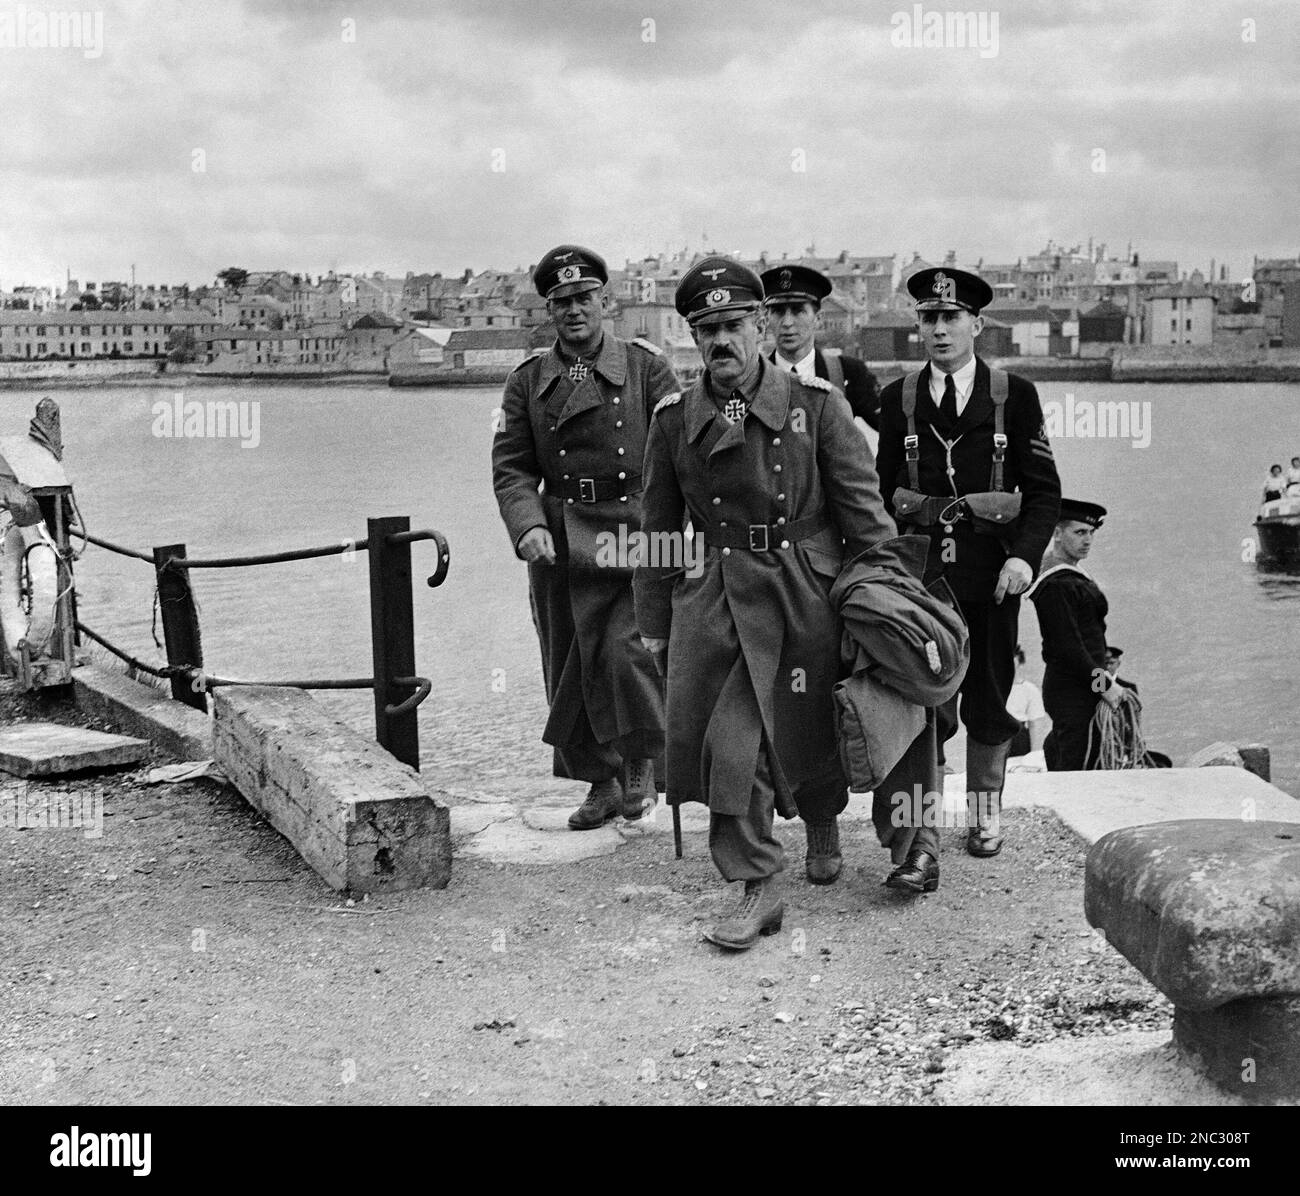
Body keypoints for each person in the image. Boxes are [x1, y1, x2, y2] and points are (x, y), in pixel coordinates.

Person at [635, 256, 895, 949]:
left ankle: (821, 819)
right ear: (692, 336)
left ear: (758, 327)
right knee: (731, 741)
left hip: (805, 586)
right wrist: (656, 626)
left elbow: (867, 520)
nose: (720, 342)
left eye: (732, 325)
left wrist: (881, 605)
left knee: (808, 727)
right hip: (718, 595)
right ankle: (756, 885)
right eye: (705, 329)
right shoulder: (671, 421)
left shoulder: (818, 407)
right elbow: (658, 531)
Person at [874, 266, 1061, 867]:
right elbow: (878, 494)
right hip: (923, 584)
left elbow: (1043, 495)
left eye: (951, 318)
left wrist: (1024, 559)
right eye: (929, 318)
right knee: (922, 700)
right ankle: (921, 827)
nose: (939, 329)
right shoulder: (896, 399)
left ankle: (984, 816)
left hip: (992, 581)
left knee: (988, 697)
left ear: (977, 325)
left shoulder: (1015, 397)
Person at [492, 245, 679, 830]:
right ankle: (598, 783)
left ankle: (643, 761)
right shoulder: (527, 383)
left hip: (637, 533)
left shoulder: (647, 368)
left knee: (631, 651)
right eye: (561, 302)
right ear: (549, 310)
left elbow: (681, 450)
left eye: (584, 298)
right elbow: (512, 467)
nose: (574, 311)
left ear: (607, 301)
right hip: (563, 538)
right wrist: (527, 527)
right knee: (570, 665)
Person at [1025, 499, 1118, 771]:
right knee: (1077, 770)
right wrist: (1104, 684)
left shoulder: (1073, 575)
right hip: (1071, 689)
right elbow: (1067, 647)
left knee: (1087, 760)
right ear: (1056, 533)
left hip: (1083, 684)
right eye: (1079, 533)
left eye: (1091, 533)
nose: (1088, 540)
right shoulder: (1055, 584)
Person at [759, 264, 880, 450]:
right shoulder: (755, 378)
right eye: (778, 312)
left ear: (818, 318)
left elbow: (893, 429)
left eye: (798, 311)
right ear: (767, 319)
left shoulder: (847, 373)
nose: (787, 323)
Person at [1006, 646, 1047, 757]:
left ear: (1019, 661)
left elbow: (1035, 725)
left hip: (1018, 740)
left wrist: (1034, 755)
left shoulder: (1030, 690)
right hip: (995, 737)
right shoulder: (991, 690)